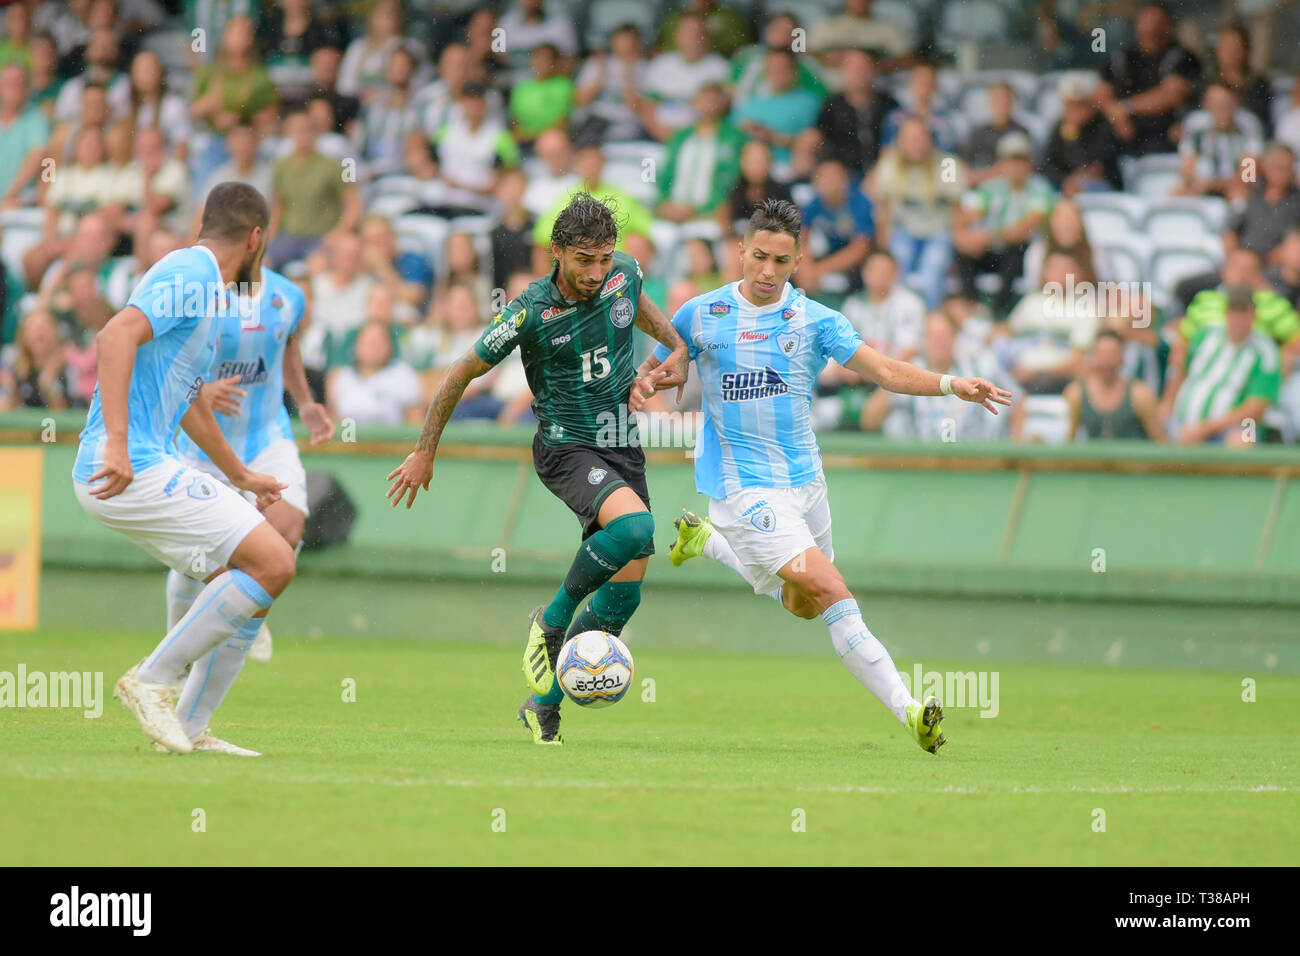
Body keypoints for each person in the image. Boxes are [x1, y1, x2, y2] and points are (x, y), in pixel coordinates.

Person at [662, 199, 1011, 754]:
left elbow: (887, 371)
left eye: (780, 260)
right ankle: (911, 709)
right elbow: (661, 369)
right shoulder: (700, 315)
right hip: (744, 489)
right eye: (758, 256)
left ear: (798, 260)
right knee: (832, 588)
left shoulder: (816, 320)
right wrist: (650, 386)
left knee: (806, 604)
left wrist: (953, 384)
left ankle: (707, 544)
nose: (767, 271)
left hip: (806, 484)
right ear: (740, 251)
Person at [385, 193, 689, 746]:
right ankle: (550, 621)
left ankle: (544, 704)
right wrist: (426, 449)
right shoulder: (529, 310)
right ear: (557, 252)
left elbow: (635, 299)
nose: (597, 273)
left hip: (620, 441)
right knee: (638, 528)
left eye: (604, 259)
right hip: (566, 447)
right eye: (584, 261)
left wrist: (675, 345)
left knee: (625, 597)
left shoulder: (624, 271)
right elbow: (460, 372)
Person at [71, 181, 293, 756]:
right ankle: (152, 680)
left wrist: (239, 474)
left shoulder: (208, 291)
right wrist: (118, 443)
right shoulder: (191, 272)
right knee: (273, 560)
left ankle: (191, 728)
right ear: (256, 238)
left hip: (141, 462)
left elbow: (189, 396)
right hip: (124, 464)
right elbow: (114, 334)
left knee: (246, 582)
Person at [168, 255, 334, 670]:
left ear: (256, 238)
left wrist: (306, 401)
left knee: (287, 529)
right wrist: (200, 392)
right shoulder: (197, 297)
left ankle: (249, 605)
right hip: (202, 445)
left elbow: (288, 344)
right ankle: (177, 654)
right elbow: (166, 364)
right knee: (202, 562)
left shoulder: (288, 295)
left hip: (266, 437)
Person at [1064, 330, 1164, 441]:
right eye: (1102, 355)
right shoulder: (1076, 393)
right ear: (1093, 356)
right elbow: (1069, 441)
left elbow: (1161, 442)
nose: (1107, 361)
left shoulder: (1140, 395)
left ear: (1122, 356)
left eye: (1112, 354)